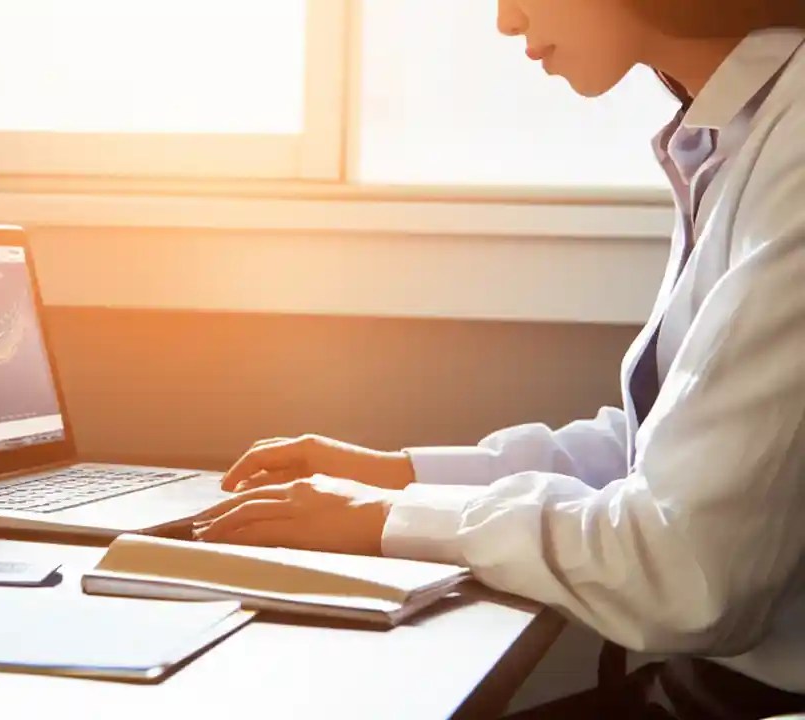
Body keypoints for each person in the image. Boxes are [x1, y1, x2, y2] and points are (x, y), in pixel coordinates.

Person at [194, 1, 805, 717]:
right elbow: (667, 452)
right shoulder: (740, 131)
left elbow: (687, 573)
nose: (506, 22)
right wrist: (397, 473)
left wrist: (390, 515)